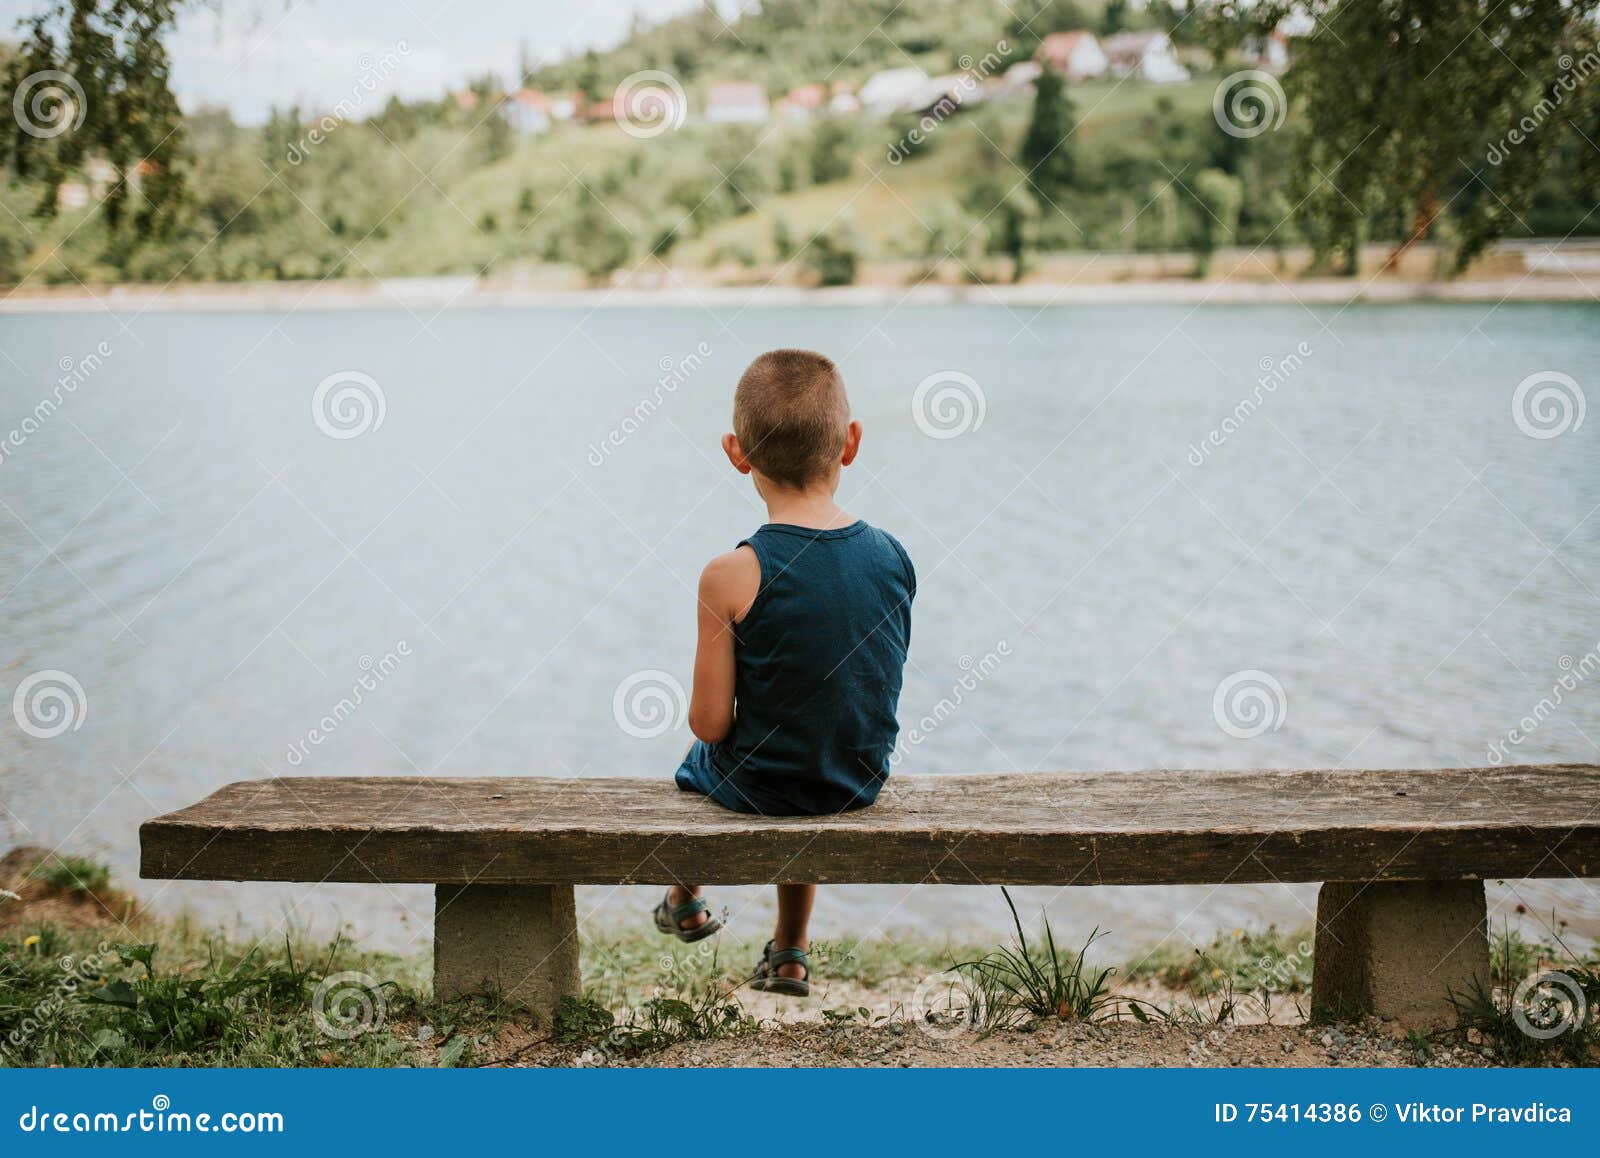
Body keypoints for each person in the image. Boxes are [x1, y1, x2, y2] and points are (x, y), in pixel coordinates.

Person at [653, 348, 915, 997]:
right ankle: (792, 952)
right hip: (856, 778)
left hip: (769, 786)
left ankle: (683, 898)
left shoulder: (730, 573)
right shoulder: (893, 557)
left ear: (736, 453)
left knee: (701, 763)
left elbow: (711, 724)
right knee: (806, 731)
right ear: (851, 443)